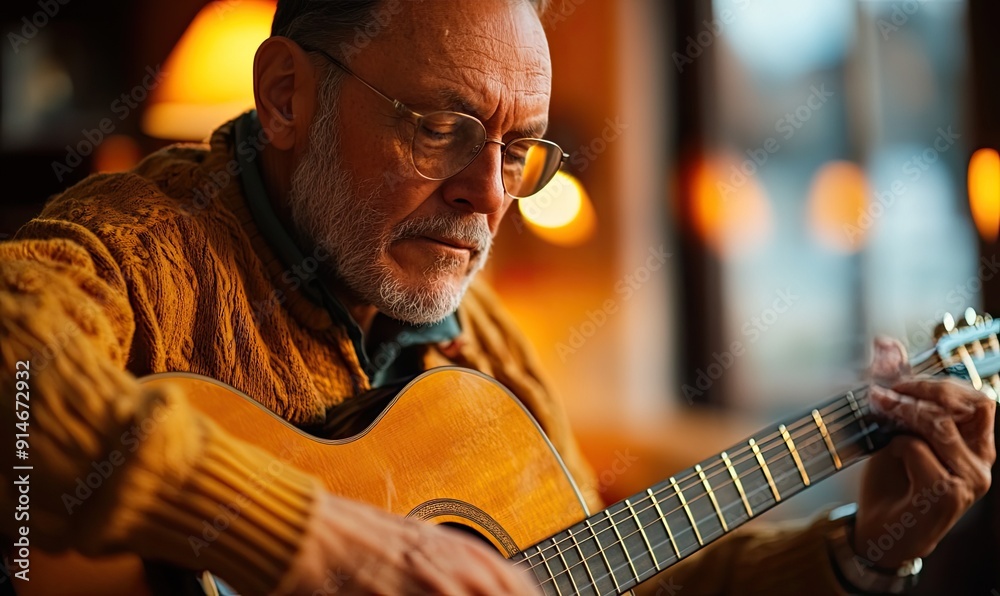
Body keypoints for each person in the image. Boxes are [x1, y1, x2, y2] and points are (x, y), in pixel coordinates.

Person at [0, 1, 994, 594]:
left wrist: (861, 554)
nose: (489, 192)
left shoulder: (491, 364)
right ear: (287, 95)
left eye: (519, 149)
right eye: (439, 126)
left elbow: (596, 573)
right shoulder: (142, 251)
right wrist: (304, 537)